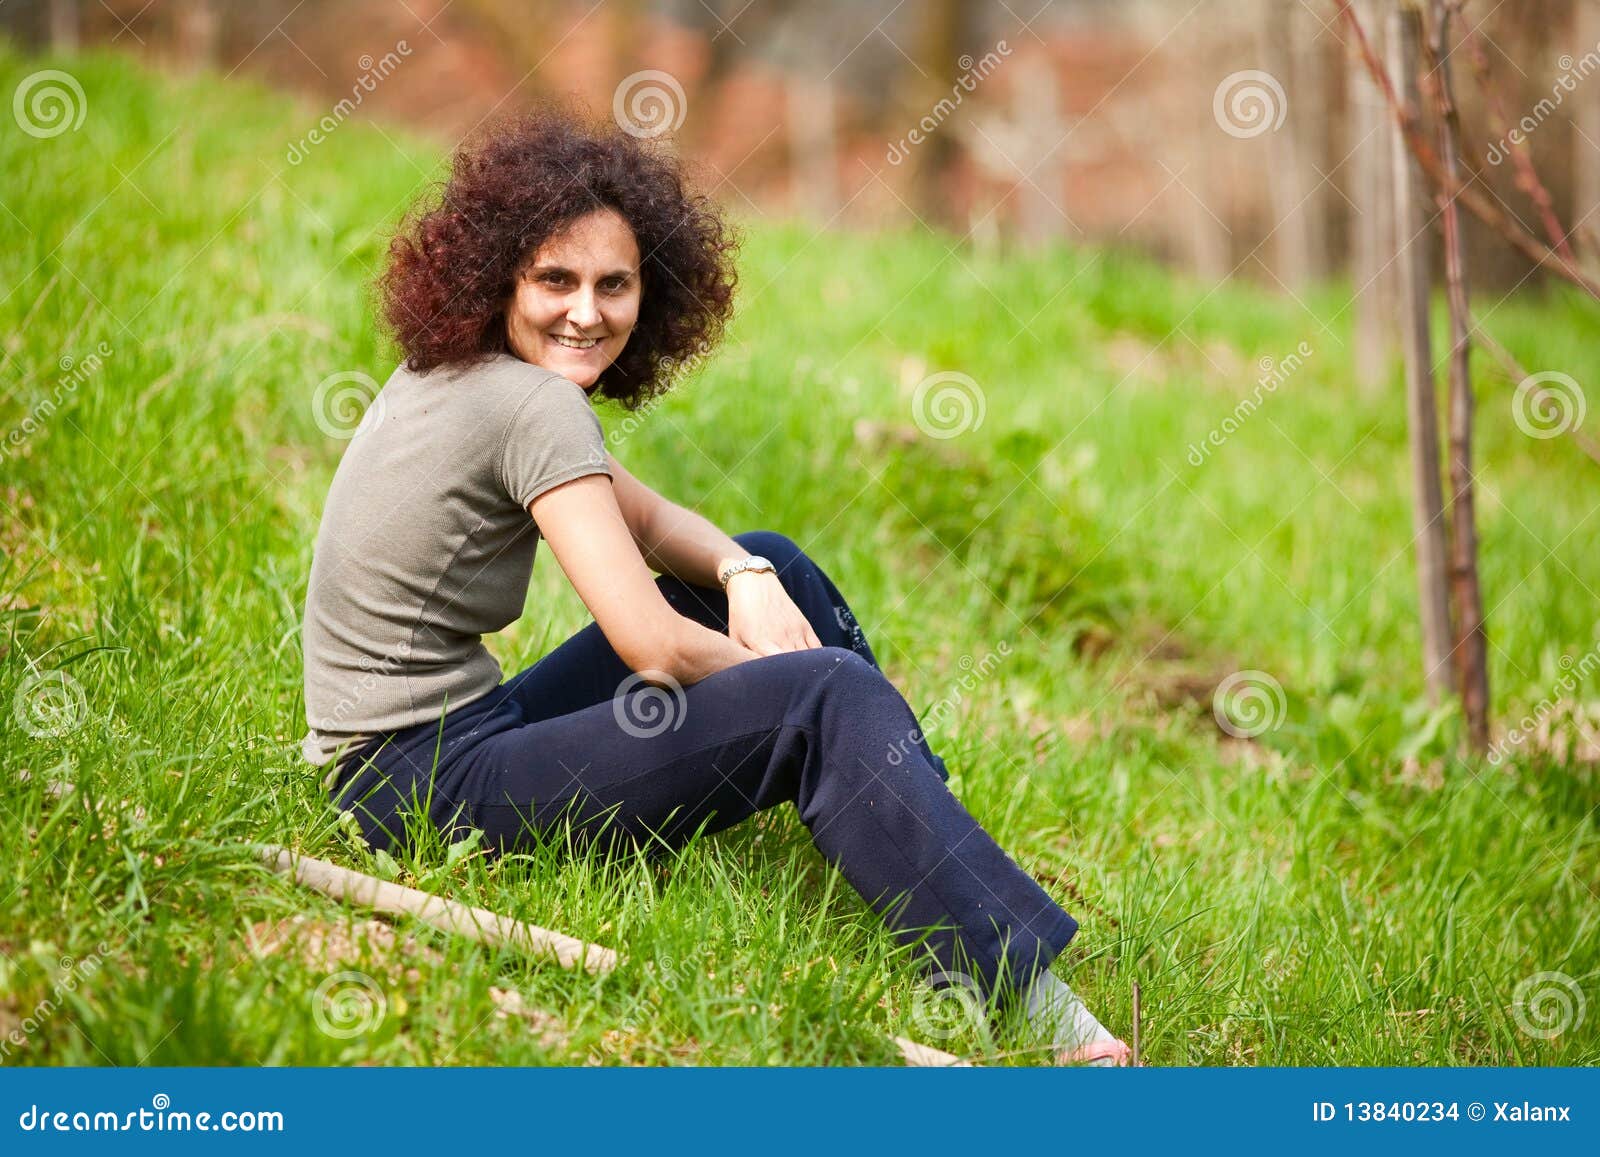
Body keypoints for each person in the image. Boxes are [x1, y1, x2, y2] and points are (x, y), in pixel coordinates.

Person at [298, 107, 1130, 1066]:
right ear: (501, 277)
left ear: (652, 291)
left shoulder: (472, 372)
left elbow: (652, 524)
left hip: (431, 743)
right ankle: (1037, 1010)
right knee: (825, 694)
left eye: (615, 284)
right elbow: (651, 643)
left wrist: (746, 574)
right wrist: (794, 693)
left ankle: (911, 819)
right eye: (555, 280)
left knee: (772, 554)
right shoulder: (529, 408)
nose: (587, 311)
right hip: (414, 794)